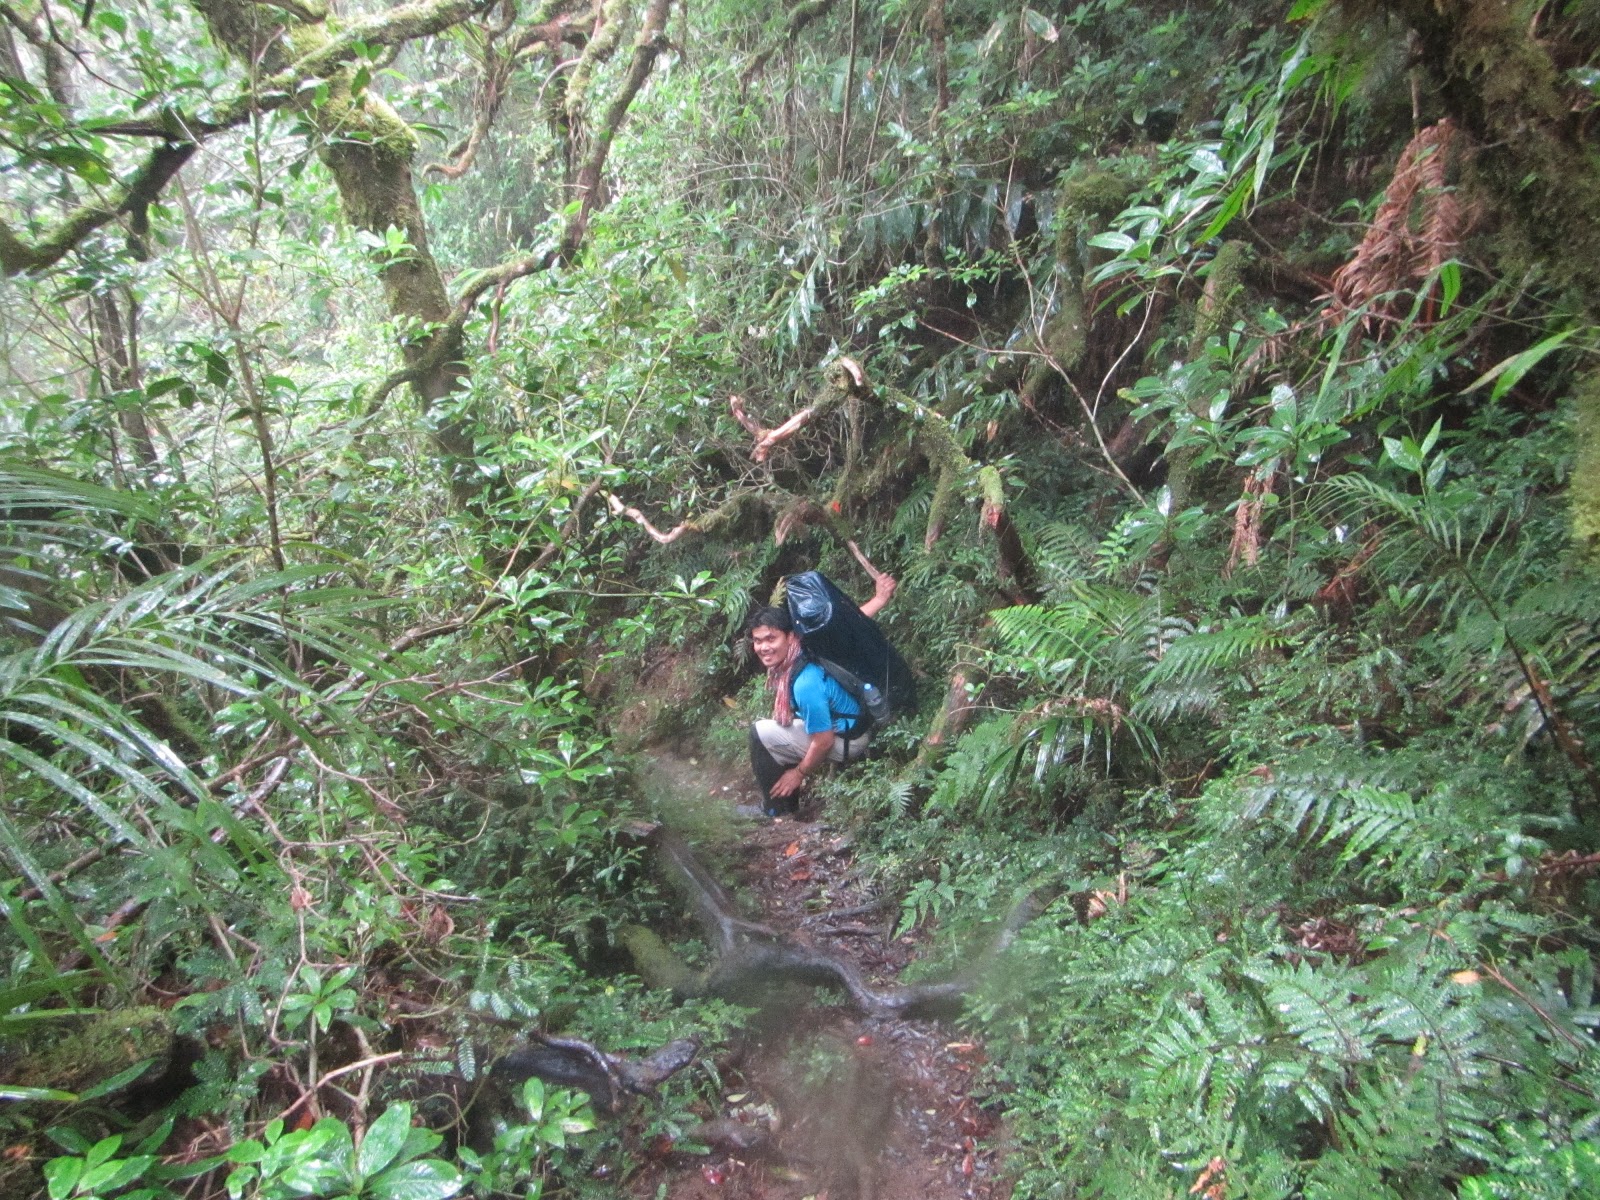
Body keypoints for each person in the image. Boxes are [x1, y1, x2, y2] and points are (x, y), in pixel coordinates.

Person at [741, 573, 897, 819]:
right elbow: (848, 626)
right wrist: (879, 599)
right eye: (758, 641)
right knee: (780, 733)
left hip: (847, 740)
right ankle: (785, 806)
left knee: (760, 734)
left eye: (771, 638)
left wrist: (799, 773)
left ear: (791, 636)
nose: (764, 647)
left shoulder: (805, 681)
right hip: (851, 725)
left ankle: (776, 811)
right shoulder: (808, 647)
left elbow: (823, 741)